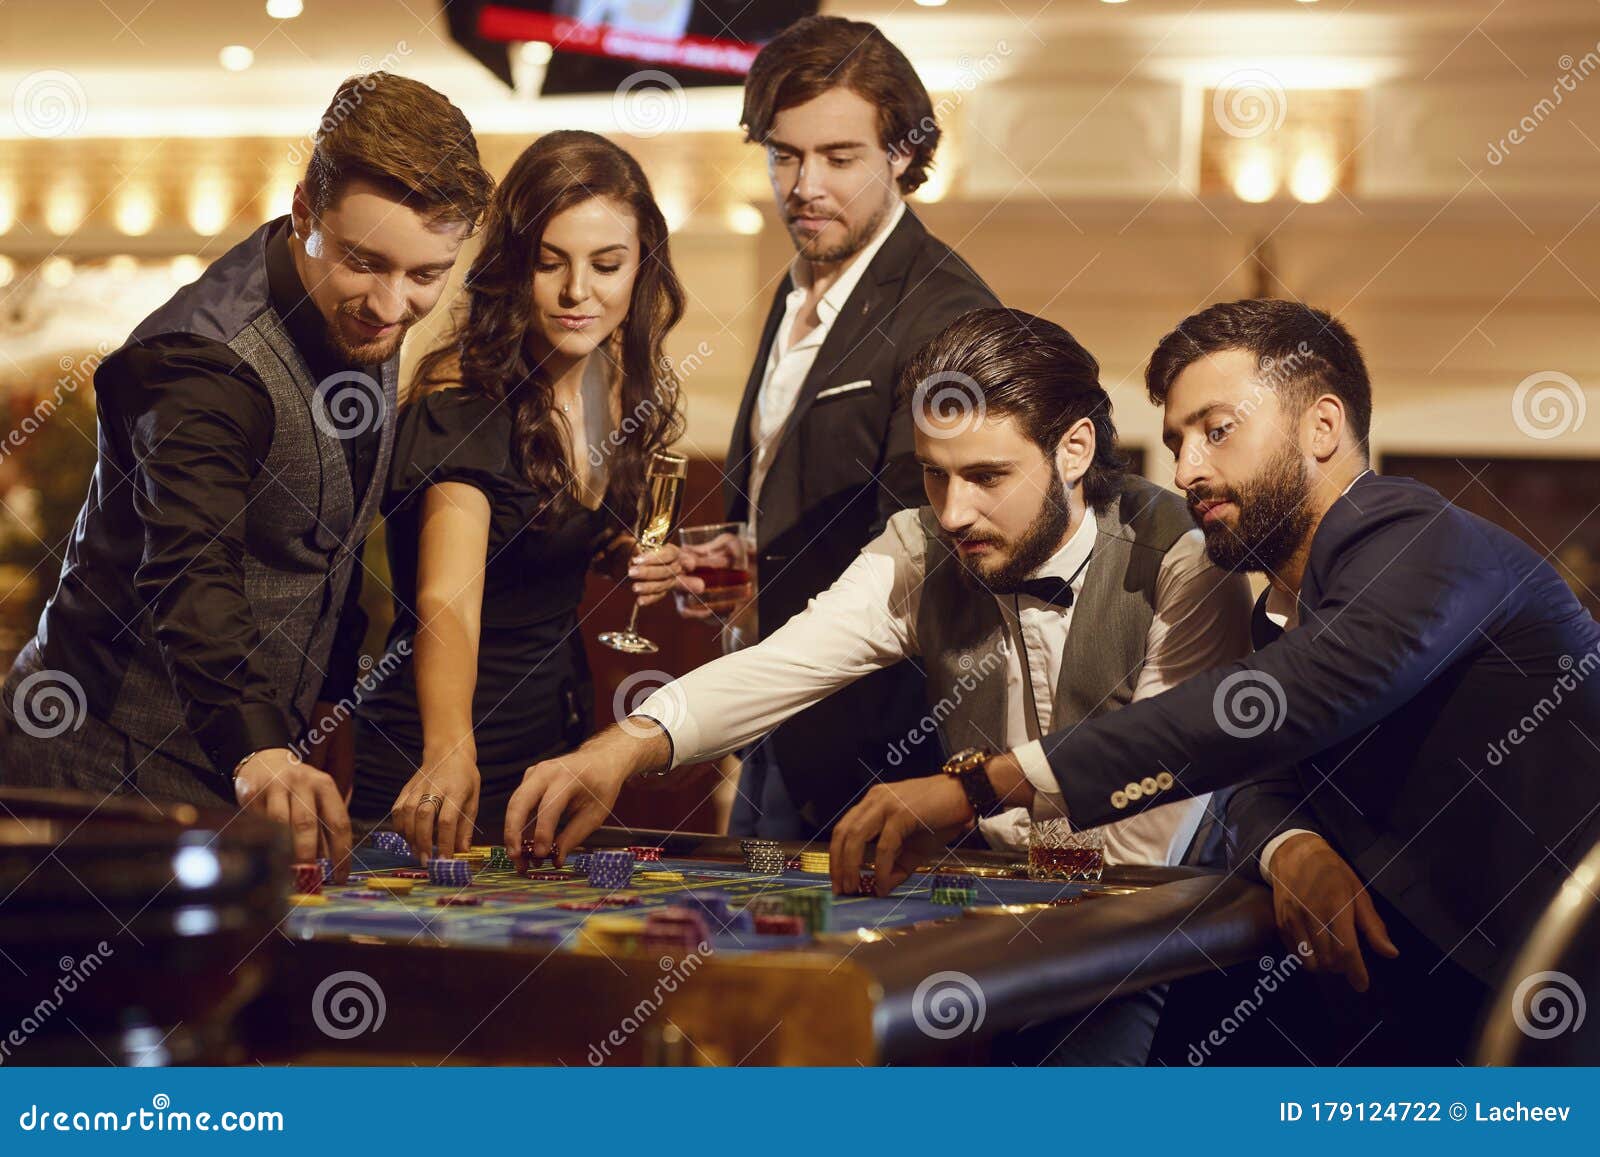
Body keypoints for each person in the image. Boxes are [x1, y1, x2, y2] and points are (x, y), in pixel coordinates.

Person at [822, 298, 1600, 1063]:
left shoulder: (1418, 540)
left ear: (1322, 426)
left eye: (1217, 430)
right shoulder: (1279, 614)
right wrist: (1292, 844)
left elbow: (1282, 702)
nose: (1187, 469)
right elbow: (1260, 780)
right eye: (1177, 440)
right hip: (1424, 1010)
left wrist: (983, 783)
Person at [504, 309, 1255, 1065]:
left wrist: (965, 802)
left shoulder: (1184, 559)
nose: (952, 512)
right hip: (995, 902)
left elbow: (1142, 826)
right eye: (935, 473)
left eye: (986, 476)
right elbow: (780, 663)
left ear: (1074, 450)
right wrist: (623, 746)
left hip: (1149, 919)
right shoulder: (922, 546)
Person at [0, 74, 492, 876]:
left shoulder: (367, 308)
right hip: (95, 763)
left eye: (426, 275)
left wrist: (327, 703)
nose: (391, 304)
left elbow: (328, 541)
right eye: (366, 262)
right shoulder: (195, 363)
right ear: (305, 213)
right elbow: (191, 569)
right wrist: (258, 748)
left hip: (247, 760)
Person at [677, 14, 999, 839]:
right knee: (749, 921)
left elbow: (923, 552)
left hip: (879, 746)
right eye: (784, 154)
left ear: (902, 154)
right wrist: (750, 564)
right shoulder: (799, 285)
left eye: (839, 157)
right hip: (776, 716)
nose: (804, 185)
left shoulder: (945, 310)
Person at [349, 132, 685, 855]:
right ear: (513, 266)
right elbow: (446, 597)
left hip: (551, 741)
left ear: (642, 267)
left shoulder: (612, 384)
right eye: (549, 262)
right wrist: (448, 750)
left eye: (606, 265)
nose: (577, 292)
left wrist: (622, 551)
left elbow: (544, 534)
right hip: (443, 753)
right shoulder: (464, 406)